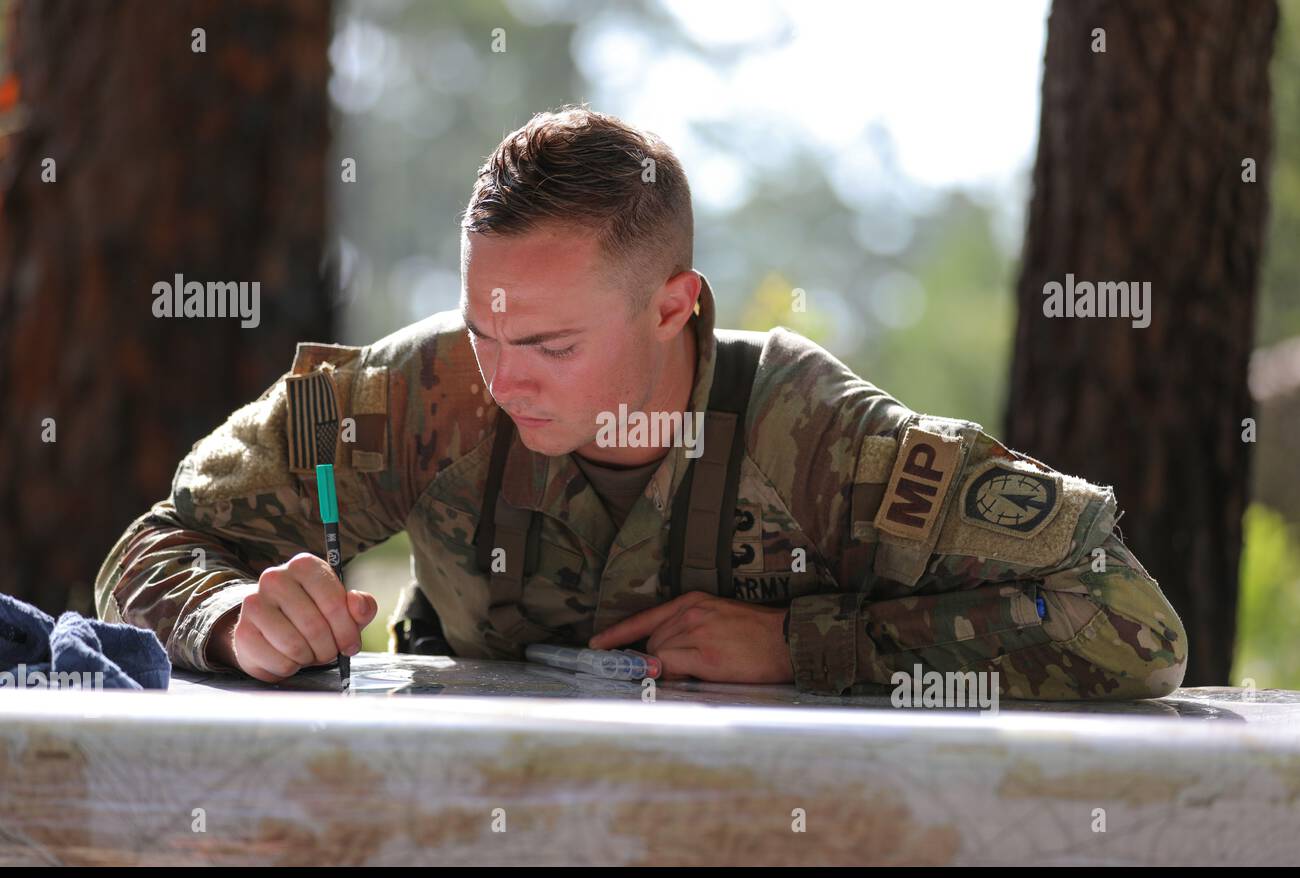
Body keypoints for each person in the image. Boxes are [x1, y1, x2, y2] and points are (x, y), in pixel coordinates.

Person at [94, 106, 1187, 699]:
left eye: (552, 343)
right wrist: (231, 619)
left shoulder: (810, 433)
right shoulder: (427, 388)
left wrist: (812, 650)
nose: (504, 373)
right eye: (483, 327)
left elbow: (1128, 624)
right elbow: (159, 542)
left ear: (675, 307)